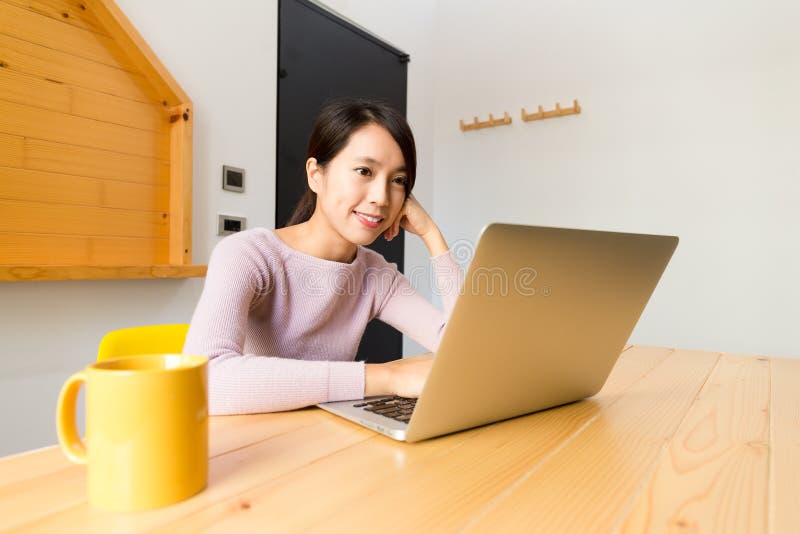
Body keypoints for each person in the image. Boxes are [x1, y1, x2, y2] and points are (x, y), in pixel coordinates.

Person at [184, 98, 464, 415]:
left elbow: (464, 349)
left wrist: (432, 237)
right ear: (316, 174)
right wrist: (386, 377)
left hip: (328, 437)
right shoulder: (249, 255)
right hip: (255, 446)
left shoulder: (375, 275)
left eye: (397, 181)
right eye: (364, 171)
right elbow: (204, 381)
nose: (382, 197)